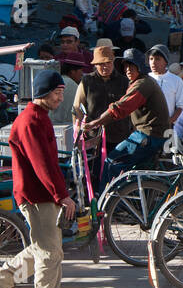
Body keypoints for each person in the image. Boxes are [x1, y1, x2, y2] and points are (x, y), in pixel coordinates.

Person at [0, 69, 77, 288]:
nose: (60, 98)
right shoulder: (31, 121)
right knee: (50, 252)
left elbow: (47, 163)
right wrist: (62, 196)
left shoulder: (39, 117)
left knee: (43, 249)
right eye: (57, 93)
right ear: (44, 92)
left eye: (62, 93)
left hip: (40, 193)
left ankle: (1, 279)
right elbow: (41, 164)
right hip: (37, 196)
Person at [90, 48, 170, 186]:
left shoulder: (142, 84)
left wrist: (95, 123)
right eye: (125, 66)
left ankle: (110, 205)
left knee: (112, 162)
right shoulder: (141, 82)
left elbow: (120, 107)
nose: (128, 70)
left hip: (149, 136)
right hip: (152, 135)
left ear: (139, 66)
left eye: (131, 66)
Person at [72, 42, 130, 191]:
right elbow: (77, 108)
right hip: (94, 139)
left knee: (118, 173)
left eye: (109, 63)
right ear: (95, 65)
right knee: (95, 174)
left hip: (119, 136)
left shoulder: (124, 81)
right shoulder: (87, 81)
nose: (106, 67)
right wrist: (78, 131)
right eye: (101, 64)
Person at [147, 45, 183, 125]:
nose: (153, 62)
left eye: (157, 59)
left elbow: (182, 106)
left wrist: (169, 121)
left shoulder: (176, 80)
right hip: (146, 127)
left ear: (166, 61)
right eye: (151, 59)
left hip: (167, 128)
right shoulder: (145, 79)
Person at [50, 58, 87, 126]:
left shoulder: (55, 81)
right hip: (69, 126)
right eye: (81, 70)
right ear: (72, 71)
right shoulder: (74, 86)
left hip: (53, 123)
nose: (82, 74)